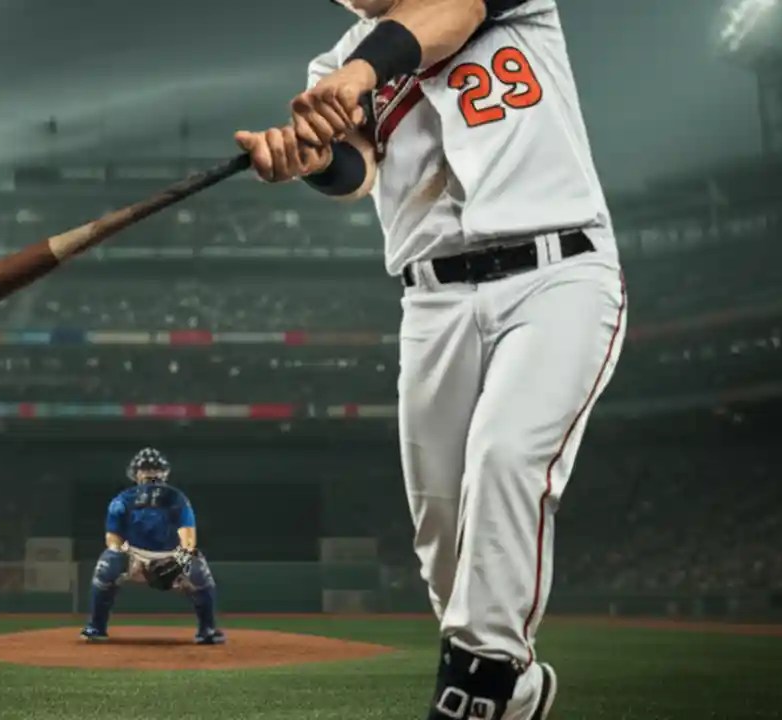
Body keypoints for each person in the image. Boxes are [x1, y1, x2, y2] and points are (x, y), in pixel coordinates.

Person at [235, 1, 627, 717]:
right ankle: (520, 689)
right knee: (442, 531)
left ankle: (475, 689)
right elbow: (357, 169)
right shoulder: (333, 64)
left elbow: (457, 10)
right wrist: (312, 159)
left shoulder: (512, 7)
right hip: (433, 298)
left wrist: (359, 76)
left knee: (506, 458)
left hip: (556, 271)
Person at [80, 447, 224, 645]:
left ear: (164, 473)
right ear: (135, 473)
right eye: (145, 468)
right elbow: (113, 539)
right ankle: (96, 626)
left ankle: (207, 629)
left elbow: (188, 540)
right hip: (133, 552)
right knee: (108, 562)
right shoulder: (122, 500)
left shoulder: (177, 498)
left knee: (198, 567)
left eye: (155, 468)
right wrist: (130, 557)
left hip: (171, 553)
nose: (151, 473)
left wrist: (177, 562)